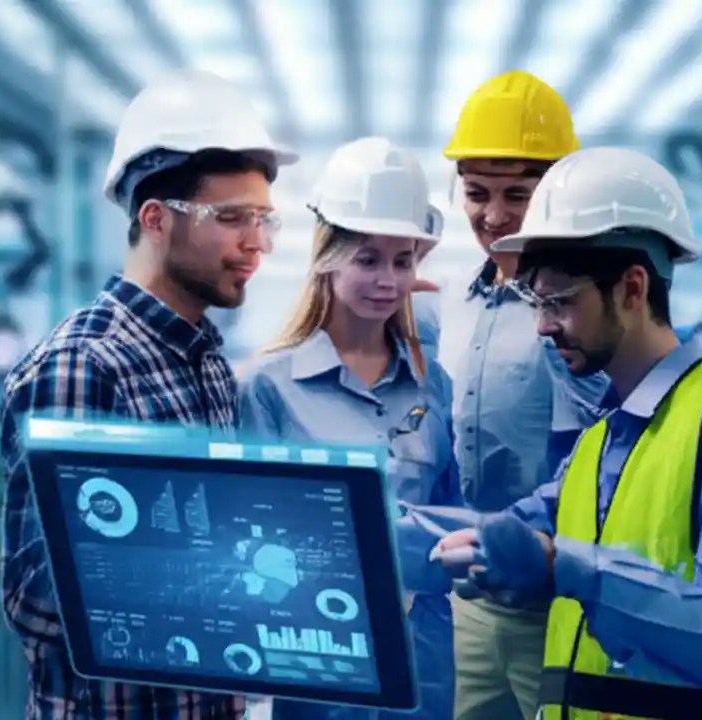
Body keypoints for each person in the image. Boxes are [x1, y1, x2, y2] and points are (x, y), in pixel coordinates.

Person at [425, 147, 702, 720]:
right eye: (537, 302)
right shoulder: (603, 438)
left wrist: (568, 570)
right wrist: (378, 528)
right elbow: (509, 529)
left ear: (632, 289)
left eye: (560, 302)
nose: (542, 325)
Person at [0, 70, 297, 719]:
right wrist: (201, 563)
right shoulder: (84, 366)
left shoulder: (208, 365)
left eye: (264, 220)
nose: (257, 244)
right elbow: (35, 601)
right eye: (233, 219)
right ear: (156, 219)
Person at [239, 137, 460, 720]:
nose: (388, 279)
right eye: (367, 258)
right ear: (327, 256)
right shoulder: (269, 386)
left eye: (403, 259)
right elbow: (248, 541)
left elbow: (449, 517)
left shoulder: (431, 384)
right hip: (322, 669)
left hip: (425, 670)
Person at [410, 69, 606, 720]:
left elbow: (601, 456)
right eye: (476, 192)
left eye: (518, 194)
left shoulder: (587, 313)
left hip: (553, 598)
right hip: (464, 599)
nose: (493, 216)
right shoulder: (450, 311)